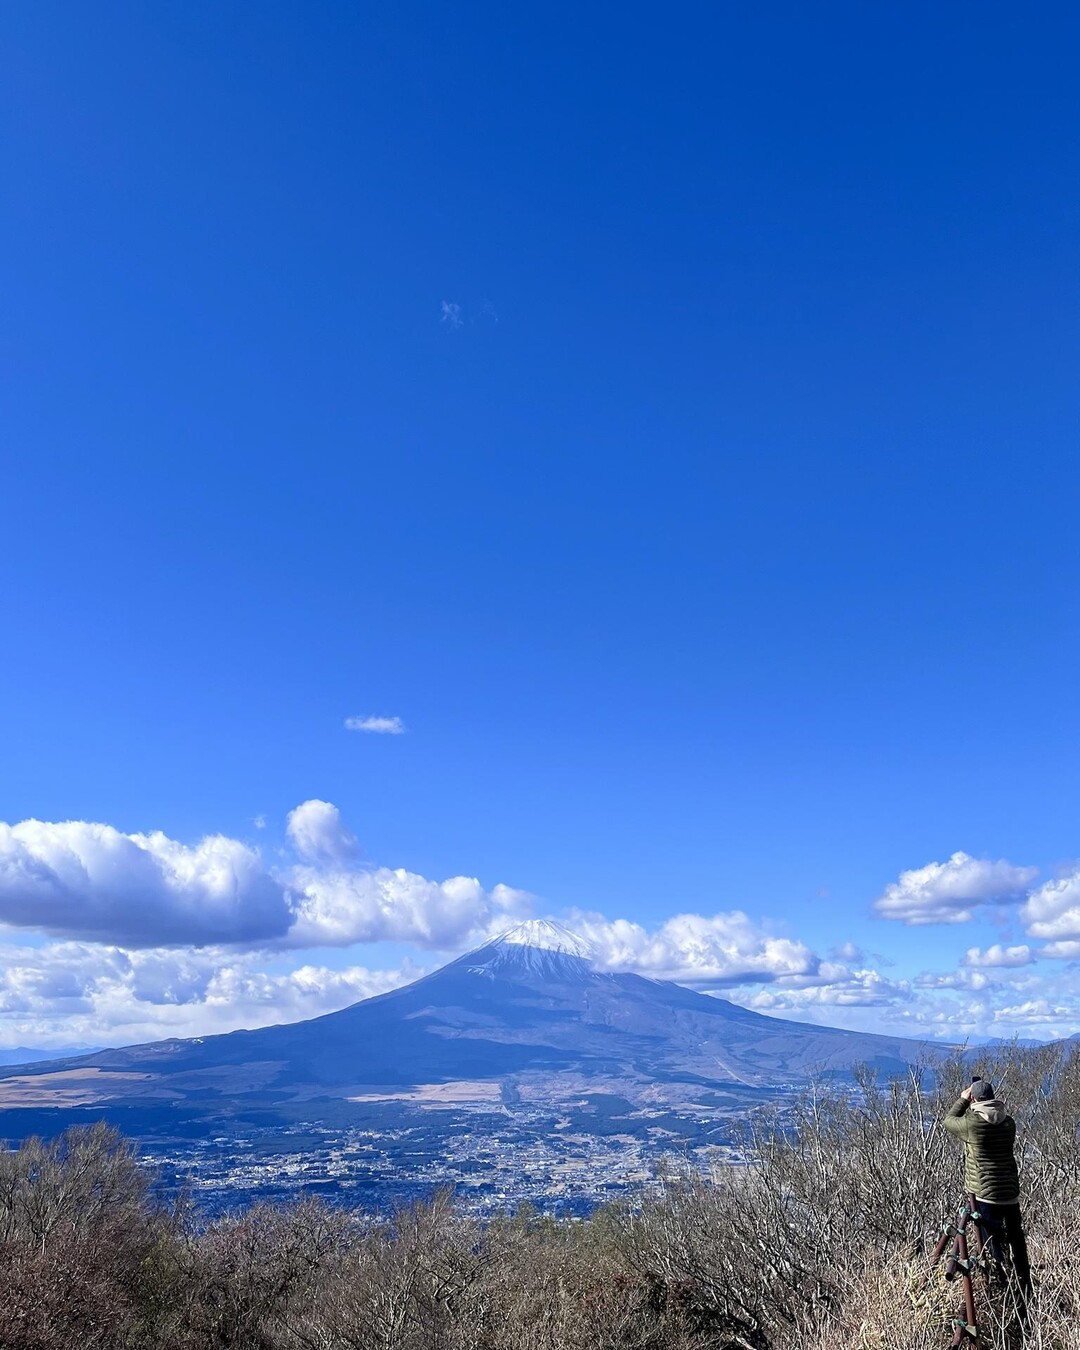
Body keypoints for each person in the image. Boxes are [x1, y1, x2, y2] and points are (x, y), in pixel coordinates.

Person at [943, 1076, 1032, 1304]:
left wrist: (963, 1100)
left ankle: (1001, 1290)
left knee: (992, 1245)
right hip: (1010, 1195)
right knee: (1016, 1240)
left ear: (974, 1098)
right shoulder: (1009, 1122)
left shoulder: (972, 1124)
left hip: (985, 1195)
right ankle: (1025, 1288)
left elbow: (949, 1121)